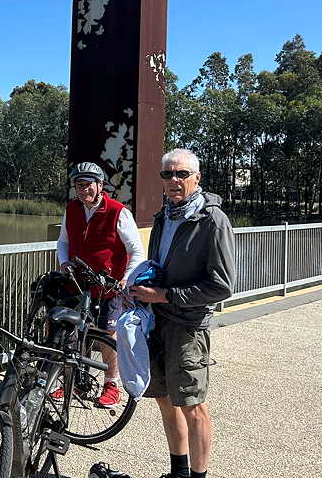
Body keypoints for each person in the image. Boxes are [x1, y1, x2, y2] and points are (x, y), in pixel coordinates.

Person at [130, 149, 234, 478]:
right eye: (167, 175)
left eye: (181, 174)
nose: (174, 180)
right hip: (158, 320)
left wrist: (164, 294)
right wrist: (141, 285)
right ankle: (179, 471)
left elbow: (222, 286)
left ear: (197, 178)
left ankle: (198, 476)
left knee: (193, 405)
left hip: (188, 325)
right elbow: (159, 266)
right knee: (164, 398)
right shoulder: (164, 216)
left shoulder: (212, 221)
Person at [56, 161, 145, 407]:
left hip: (109, 286)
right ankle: (71, 383)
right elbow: (63, 241)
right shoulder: (72, 208)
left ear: (100, 185)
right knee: (73, 331)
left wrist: (127, 277)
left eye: (88, 185)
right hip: (78, 282)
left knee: (108, 333)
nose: (83, 190)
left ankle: (111, 384)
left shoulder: (118, 212)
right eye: (78, 185)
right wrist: (64, 262)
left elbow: (136, 250)